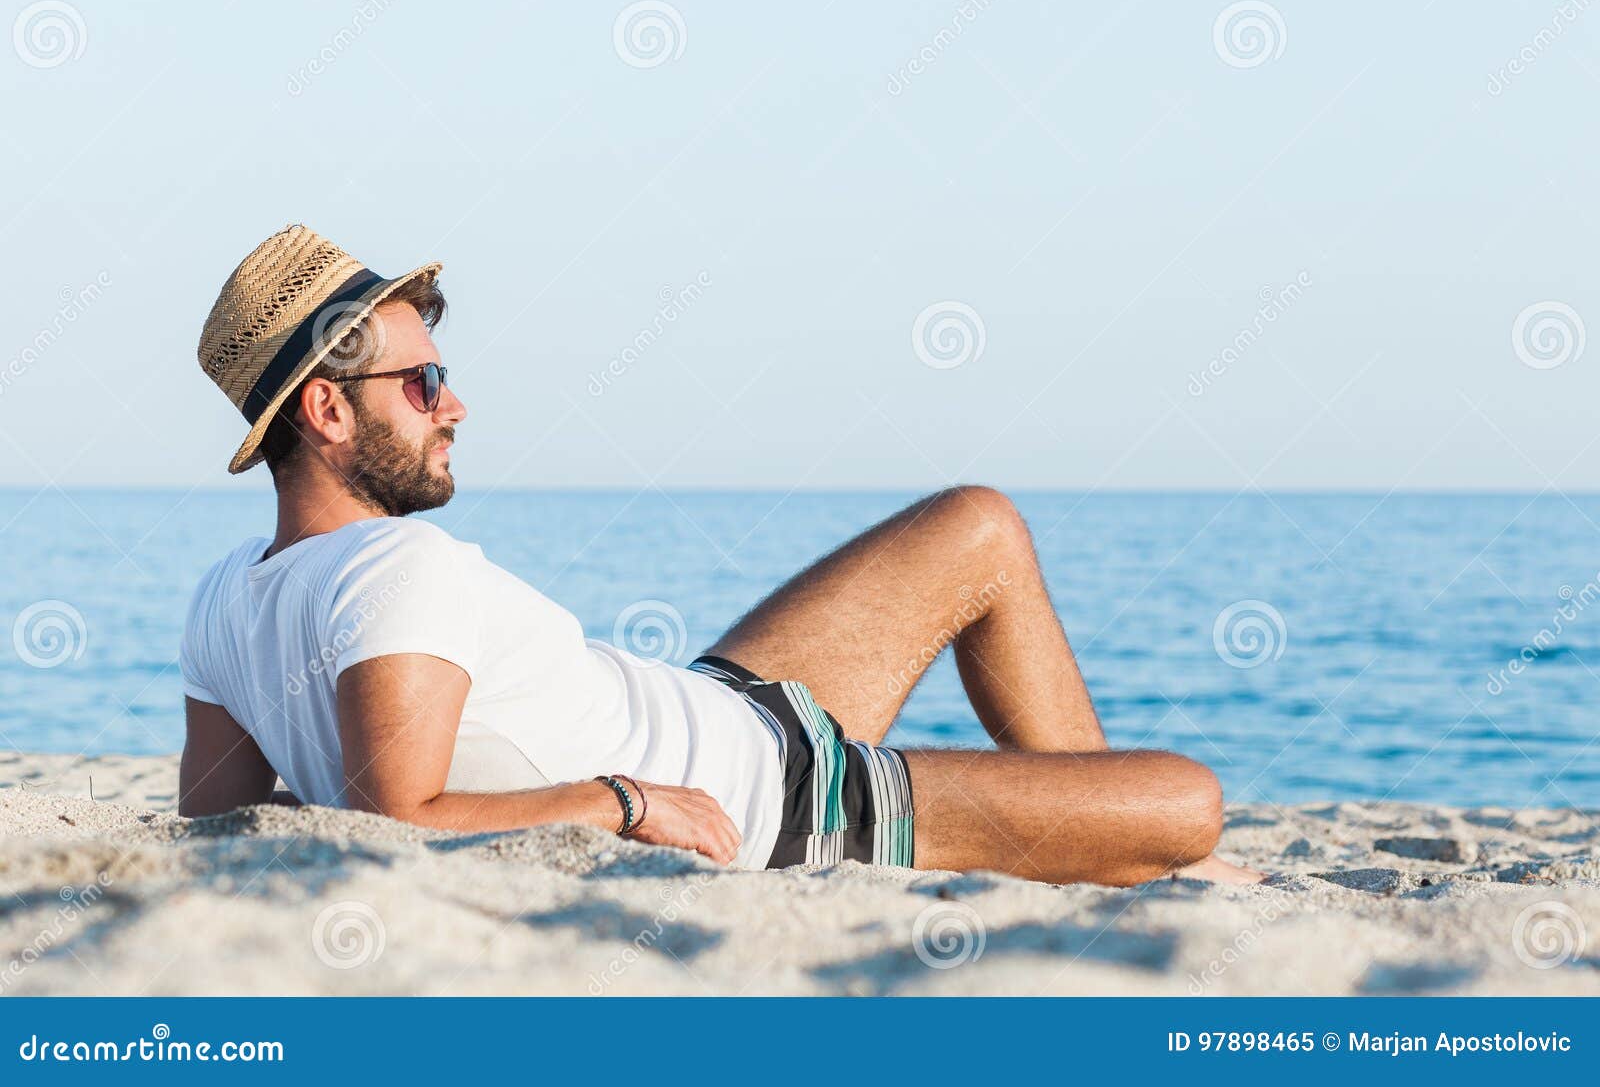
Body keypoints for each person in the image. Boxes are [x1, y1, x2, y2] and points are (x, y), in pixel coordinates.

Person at [179, 224, 1261, 886]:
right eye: (421, 383)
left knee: (977, 522)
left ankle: (1094, 829)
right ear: (325, 409)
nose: (454, 403)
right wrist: (626, 803)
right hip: (793, 804)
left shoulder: (226, 596)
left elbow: (223, 819)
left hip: (722, 707)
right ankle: (1135, 845)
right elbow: (398, 822)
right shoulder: (392, 573)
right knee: (1187, 804)